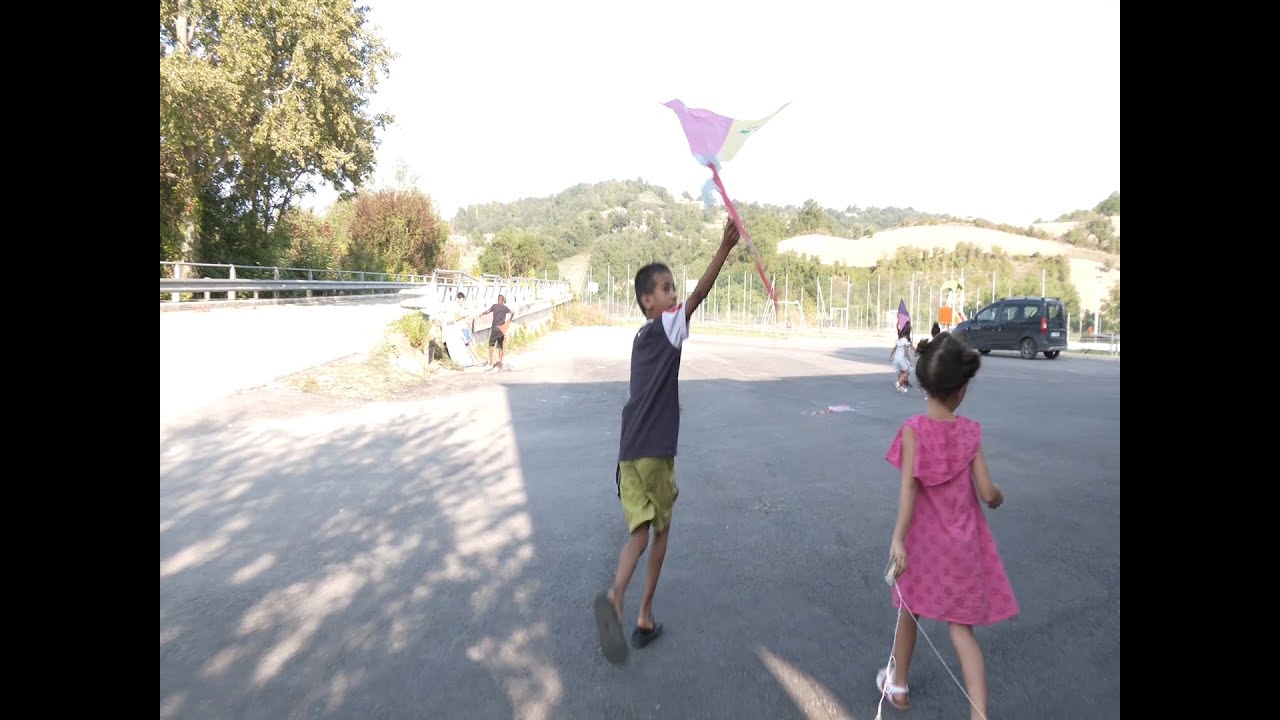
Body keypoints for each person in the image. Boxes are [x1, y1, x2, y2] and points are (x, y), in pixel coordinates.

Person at [593, 218, 740, 664]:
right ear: (647, 301)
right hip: (655, 451)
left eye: (674, 288)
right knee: (662, 531)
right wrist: (724, 248)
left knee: (638, 532)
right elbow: (700, 297)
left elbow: (651, 389)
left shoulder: (641, 337)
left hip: (628, 452)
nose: (675, 295)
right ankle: (641, 613)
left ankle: (618, 595)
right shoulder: (668, 327)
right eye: (666, 289)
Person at [878, 332, 1019, 718]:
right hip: (962, 548)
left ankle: (899, 686)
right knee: (962, 630)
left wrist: (899, 539)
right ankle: (978, 714)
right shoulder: (970, 432)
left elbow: (908, 489)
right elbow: (988, 492)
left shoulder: (912, 431)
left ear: (925, 384)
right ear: (961, 391)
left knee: (910, 611)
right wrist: (998, 497)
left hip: (922, 547)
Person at [479, 294, 514, 367]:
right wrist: (509, 320)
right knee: (500, 346)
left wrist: (482, 313)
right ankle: (500, 361)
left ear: (498, 300)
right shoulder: (505, 308)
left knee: (491, 345)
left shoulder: (494, 306)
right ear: (503, 300)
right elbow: (512, 312)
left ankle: (491, 361)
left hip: (495, 328)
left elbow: (488, 311)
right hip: (501, 329)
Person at [890, 322, 914, 393]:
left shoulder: (899, 340)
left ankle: (901, 387)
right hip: (901, 358)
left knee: (901, 372)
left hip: (896, 358)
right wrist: (910, 360)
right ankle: (898, 383)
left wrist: (890, 356)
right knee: (906, 372)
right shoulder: (906, 340)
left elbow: (894, 348)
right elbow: (906, 352)